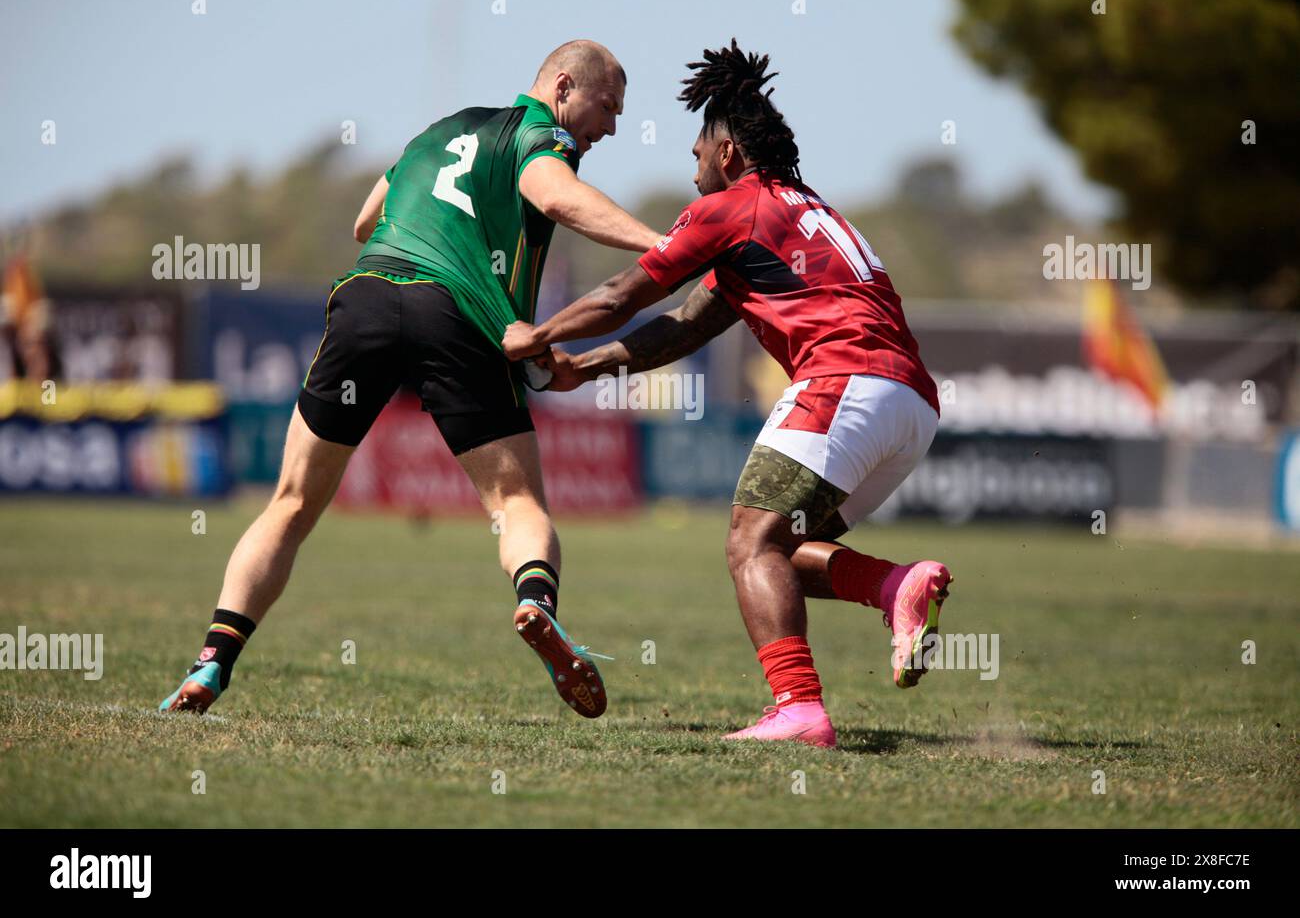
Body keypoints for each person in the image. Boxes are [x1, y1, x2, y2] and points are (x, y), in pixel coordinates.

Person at [160, 40, 661, 719]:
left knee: (290, 503)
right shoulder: (540, 136)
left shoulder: (438, 131)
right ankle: (534, 604)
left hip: (368, 294)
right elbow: (557, 196)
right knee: (516, 503)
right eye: (607, 107)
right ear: (564, 86)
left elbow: (366, 222)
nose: (609, 127)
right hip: (453, 311)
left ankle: (212, 662)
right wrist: (665, 246)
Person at [503, 40, 952, 748]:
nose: (692, 174)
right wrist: (582, 367)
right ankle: (897, 588)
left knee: (749, 544)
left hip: (843, 382)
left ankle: (799, 709)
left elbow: (625, 293)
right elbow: (684, 328)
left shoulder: (734, 208)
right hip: (911, 404)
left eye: (695, 158)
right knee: (784, 549)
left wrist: (536, 335)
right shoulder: (799, 212)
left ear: (727, 158)